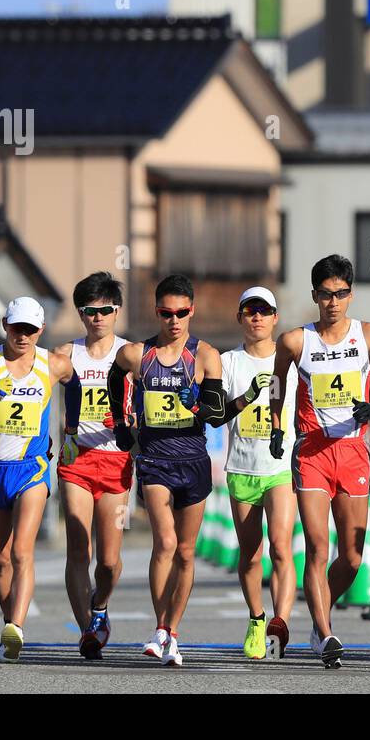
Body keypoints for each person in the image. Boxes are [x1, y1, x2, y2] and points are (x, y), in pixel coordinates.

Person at [270, 254, 370, 668]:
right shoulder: (294, 341)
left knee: (354, 556)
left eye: (341, 294)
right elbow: (276, 383)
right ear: (315, 296)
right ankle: (325, 633)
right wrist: (276, 425)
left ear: (350, 294)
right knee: (317, 547)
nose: (333, 302)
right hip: (311, 451)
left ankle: (317, 609)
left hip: (353, 451)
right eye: (326, 295)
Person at [109, 274, 228, 667]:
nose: (174, 320)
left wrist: (197, 402)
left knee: (188, 551)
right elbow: (114, 377)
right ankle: (160, 628)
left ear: (191, 311)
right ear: (156, 312)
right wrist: (122, 426)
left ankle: (172, 632)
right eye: (166, 313)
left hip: (193, 460)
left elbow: (215, 416)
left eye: (181, 313)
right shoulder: (135, 354)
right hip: (156, 460)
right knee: (166, 543)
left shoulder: (206, 354)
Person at [0, 297, 73, 662]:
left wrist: (71, 428)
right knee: (1, 559)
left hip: (31, 469)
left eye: (30, 330)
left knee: (23, 551)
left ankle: (17, 626)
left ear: (41, 330)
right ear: (5, 325)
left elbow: (77, 384)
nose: (22, 336)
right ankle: (10, 621)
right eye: (16, 328)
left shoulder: (52, 363)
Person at [218, 286, 298, 659]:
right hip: (242, 467)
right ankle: (255, 617)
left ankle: (279, 621)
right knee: (251, 553)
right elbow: (216, 416)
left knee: (281, 547)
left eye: (264, 311)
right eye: (250, 310)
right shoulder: (227, 362)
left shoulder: (291, 360)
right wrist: (247, 397)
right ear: (240, 317)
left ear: (275, 317)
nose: (257, 317)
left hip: (280, 467)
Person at [55, 272, 131, 661]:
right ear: (81, 314)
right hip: (76, 462)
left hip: (117, 463)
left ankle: (100, 605)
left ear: (116, 311)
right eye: (90, 311)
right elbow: (29, 388)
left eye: (105, 310)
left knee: (109, 561)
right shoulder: (66, 354)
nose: (97, 318)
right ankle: (87, 629)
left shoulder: (130, 354)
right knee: (78, 549)